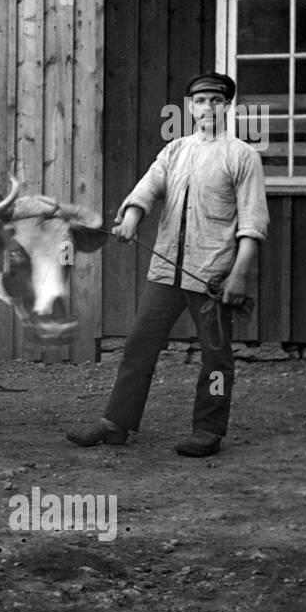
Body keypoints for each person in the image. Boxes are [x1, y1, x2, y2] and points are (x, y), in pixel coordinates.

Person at [67, 71, 269, 458]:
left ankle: (208, 430)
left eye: (216, 100)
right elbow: (148, 187)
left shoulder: (242, 156)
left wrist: (239, 274)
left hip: (211, 274)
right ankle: (115, 423)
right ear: (190, 107)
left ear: (228, 106)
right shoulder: (175, 150)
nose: (208, 107)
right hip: (166, 272)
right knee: (139, 346)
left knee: (215, 355)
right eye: (200, 101)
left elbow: (252, 222)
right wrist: (130, 219)